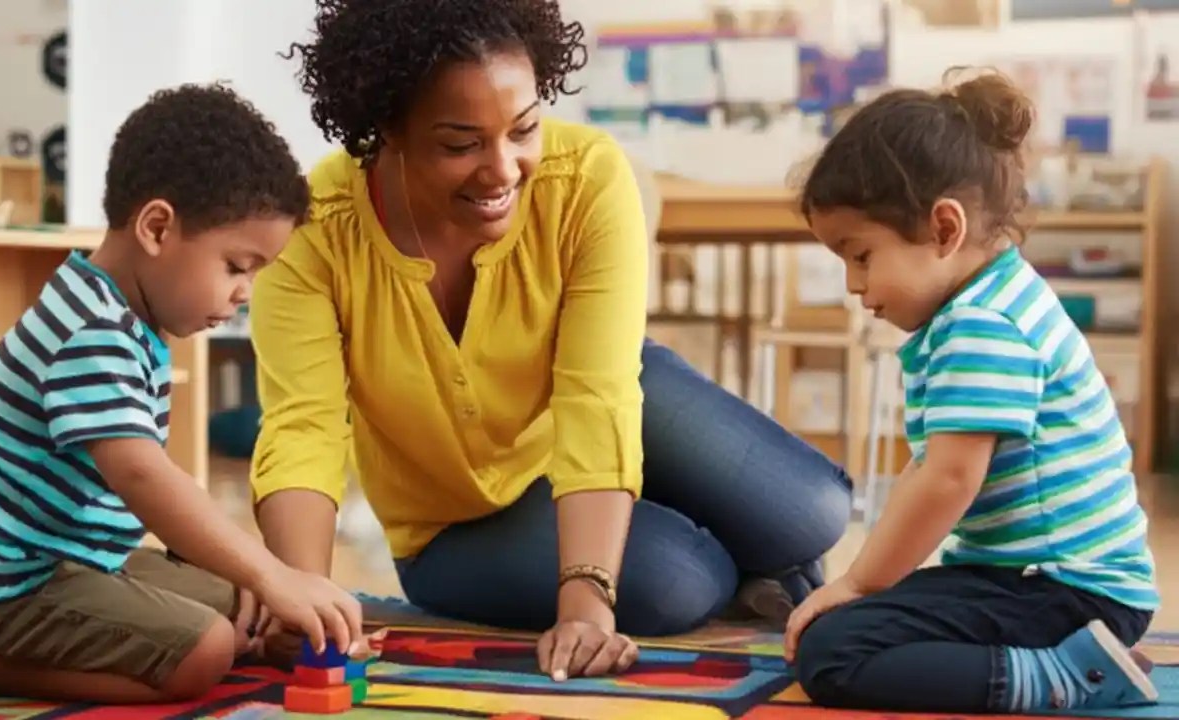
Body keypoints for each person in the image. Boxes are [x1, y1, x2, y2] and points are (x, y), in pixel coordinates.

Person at [250, 0, 853, 682]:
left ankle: (718, 547)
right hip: (457, 525)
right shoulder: (315, 231)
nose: (503, 169)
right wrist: (301, 593)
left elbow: (597, 394)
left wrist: (587, 601)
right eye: (461, 144)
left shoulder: (586, 178)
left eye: (524, 129)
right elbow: (304, 427)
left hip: (602, 402)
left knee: (813, 512)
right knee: (680, 582)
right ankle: (741, 567)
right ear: (387, 127)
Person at [0, 84, 366, 703]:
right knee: (204, 650)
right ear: (156, 228)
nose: (244, 294)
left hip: (62, 561)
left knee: (242, 603)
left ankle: (244, 630)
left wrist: (264, 588)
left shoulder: (119, 315)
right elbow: (143, 476)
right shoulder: (90, 331)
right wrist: (274, 573)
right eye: (236, 267)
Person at [785, 68, 1159, 713]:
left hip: (1065, 591)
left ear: (944, 229)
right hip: (1042, 581)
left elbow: (949, 480)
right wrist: (866, 583)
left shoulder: (982, 324)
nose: (852, 283)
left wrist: (859, 582)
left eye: (861, 255)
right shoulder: (991, 298)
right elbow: (933, 468)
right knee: (850, 618)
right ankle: (1073, 656)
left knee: (834, 653)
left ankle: (1064, 676)